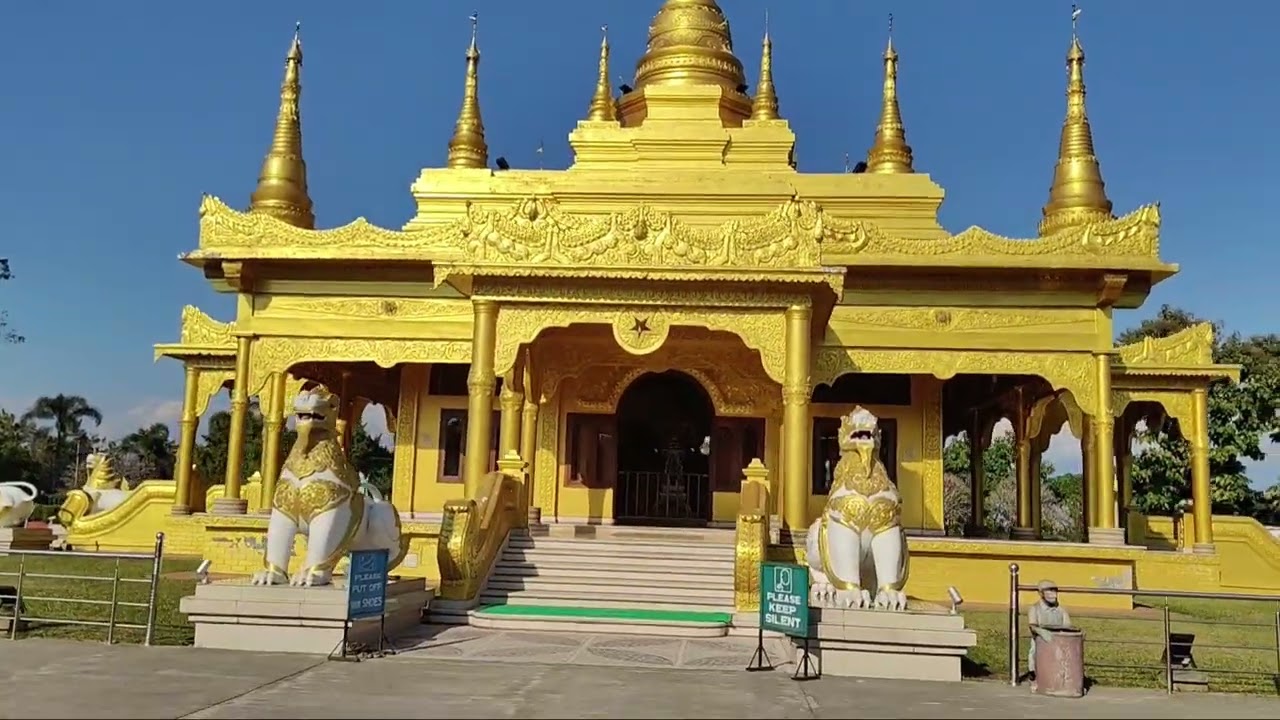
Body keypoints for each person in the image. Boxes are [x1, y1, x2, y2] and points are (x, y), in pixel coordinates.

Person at [1027, 579, 1073, 677]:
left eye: (1054, 590)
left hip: (1059, 640)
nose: (1052, 594)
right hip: (1041, 640)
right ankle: (1033, 673)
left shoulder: (1061, 609)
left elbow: (1068, 625)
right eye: (1048, 591)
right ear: (1041, 593)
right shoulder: (1035, 608)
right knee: (1034, 651)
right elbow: (1032, 625)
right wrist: (1041, 632)